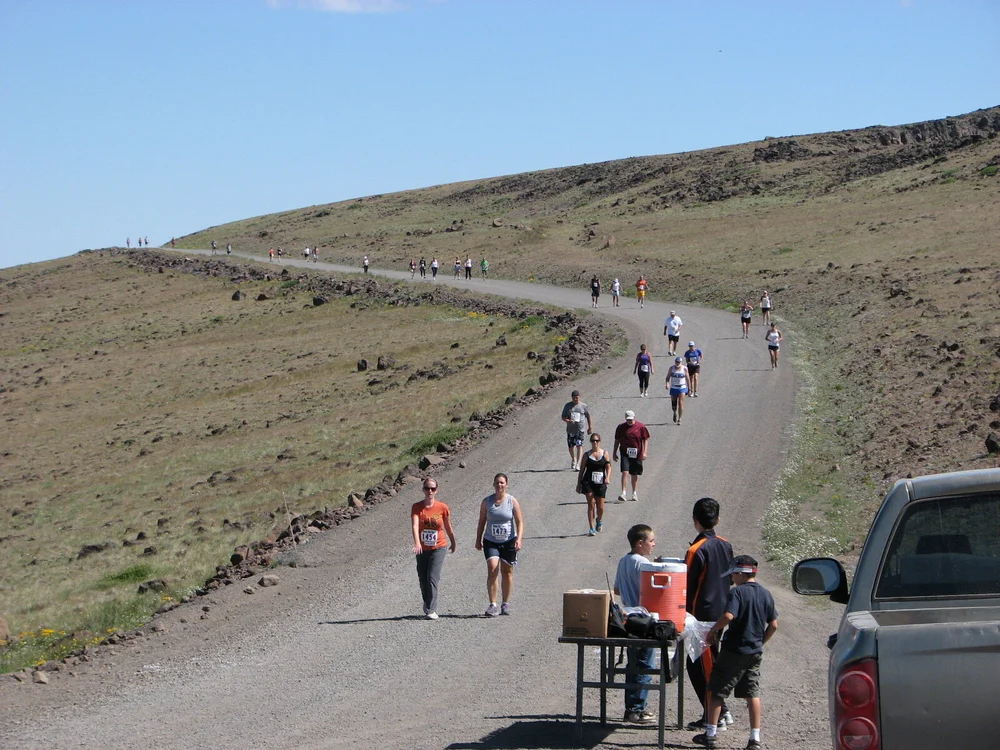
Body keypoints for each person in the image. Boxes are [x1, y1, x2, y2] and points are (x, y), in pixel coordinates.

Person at [692, 555, 778, 750]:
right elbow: (773, 625)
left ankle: (711, 734)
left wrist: (713, 631)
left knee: (716, 690)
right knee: (752, 693)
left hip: (734, 650)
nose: (731, 579)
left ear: (741, 573)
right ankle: (754, 739)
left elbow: (729, 615)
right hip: (754, 651)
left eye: (733, 575)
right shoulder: (766, 594)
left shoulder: (737, 593)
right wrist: (760, 641)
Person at [685, 498, 735, 732]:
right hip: (721, 612)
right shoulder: (726, 545)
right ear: (717, 520)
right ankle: (714, 711)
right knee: (709, 663)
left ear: (695, 521)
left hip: (701, 616)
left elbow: (688, 585)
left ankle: (718, 714)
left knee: (701, 666)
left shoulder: (696, 550)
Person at [614, 524, 658, 724]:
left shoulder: (623, 561)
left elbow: (616, 589)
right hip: (644, 619)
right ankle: (636, 709)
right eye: (651, 541)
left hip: (628, 618)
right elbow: (653, 591)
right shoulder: (642, 563)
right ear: (640, 543)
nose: (653, 544)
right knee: (644, 665)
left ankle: (631, 707)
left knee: (633, 665)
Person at [475, 473, 524, 617]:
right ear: (493, 485)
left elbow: (520, 522)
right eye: (497, 483)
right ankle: (493, 604)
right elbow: (482, 521)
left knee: (507, 571)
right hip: (491, 541)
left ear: (506, 485)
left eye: (502, 483)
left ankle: (505, 603)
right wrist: (478, 539)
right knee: (492, 569)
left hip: (509, 541)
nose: (499, 485)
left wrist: (519, 539)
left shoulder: (512, 501)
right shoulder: (487, 502)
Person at [411, 478, 457, 620]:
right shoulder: (417, 507)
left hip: (439, 547)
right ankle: (427, 602)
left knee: (432, 577)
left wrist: (453, 541)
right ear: (423, 490)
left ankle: (431, 609)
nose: (429, 491)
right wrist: (417, 543)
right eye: (427, 488)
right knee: (423, 578)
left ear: (436, 490)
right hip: (422, 549)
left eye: (432, 488)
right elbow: (415, 525)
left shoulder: (442, 507)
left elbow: (448, 526)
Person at [577, 433, 612, 536]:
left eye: (596, 440)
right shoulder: (587, 455)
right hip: (588, 482)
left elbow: (608, 467)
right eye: (593, 441)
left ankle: (599, 520)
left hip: (600, 483)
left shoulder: (605, 453)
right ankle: (591, 528)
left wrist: (607, 477)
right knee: (591, 504)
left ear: (599, 441)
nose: (595, 442)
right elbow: (582, 470)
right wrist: (578, 484)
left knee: (600, 507)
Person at [613, 410, 649, 502]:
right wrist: (614, 452)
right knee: (625, 472)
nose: (629, 421)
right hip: (625, 452)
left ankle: (634, 493)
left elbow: (645, 439)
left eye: (631, 419)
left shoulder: (641, 427)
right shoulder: (621, 427)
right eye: (628, 420)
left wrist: (645, 451)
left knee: (634, 473)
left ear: (634, 418)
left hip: (637, 453)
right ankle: (623, 493)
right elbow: (617, 439)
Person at [561, 389, 593, 470]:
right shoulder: (567, 406)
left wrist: (590, 427)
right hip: (571, 430)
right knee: (571, 447)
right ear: (572, 398)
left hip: (580, 430)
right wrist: (568, 420)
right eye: (574, 397)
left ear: (579, 397)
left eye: (577, 397)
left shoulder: (583, 406)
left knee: (579, 445)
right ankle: (573, 459)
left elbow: (588, 416)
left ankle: (578, 463)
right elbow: (563, 417)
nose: (575, 399)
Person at [667, 356, 689, 425]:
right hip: (673, 387)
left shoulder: (684, 368)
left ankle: (680, 419)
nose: (677, 363)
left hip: (682, 387)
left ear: (681, 362)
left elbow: (688, 379)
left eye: (679, 362)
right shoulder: (671, 368)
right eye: (676, 362)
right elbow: (667, 377)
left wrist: (689, 388)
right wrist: (667, 383)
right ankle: (674, 412)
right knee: (674, 404)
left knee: (681, 403)